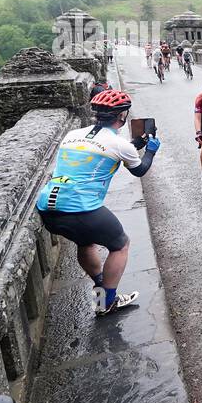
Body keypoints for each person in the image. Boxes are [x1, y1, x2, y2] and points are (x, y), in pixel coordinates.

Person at [36, 88, 161, 316]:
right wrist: (151, 151)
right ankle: (107, 303)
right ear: (122, 116)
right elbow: (139, 170)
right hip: (80, 208)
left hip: (48, 206)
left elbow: (101, 147)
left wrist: (135, 144)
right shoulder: (120, 145)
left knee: (85, 242)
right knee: (120, 244)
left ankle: (101, 285)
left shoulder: (72, 134)